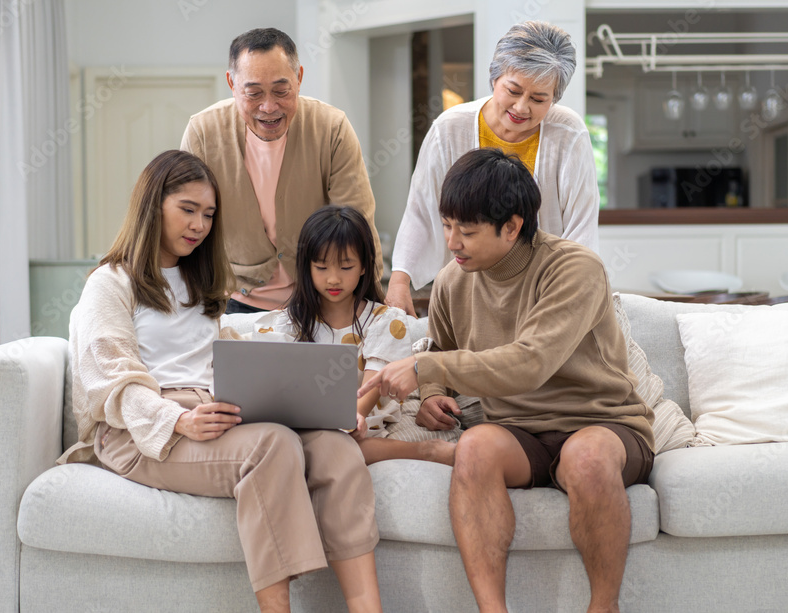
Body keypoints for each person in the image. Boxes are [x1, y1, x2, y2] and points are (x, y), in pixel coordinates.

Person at [59, 150, 383, 613]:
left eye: (208, 214)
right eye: (187, 209)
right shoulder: (111, 282)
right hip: (144, 433)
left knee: (336, 449)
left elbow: (227, 368)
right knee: (271, 446)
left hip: (213, 413)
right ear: (153, 205)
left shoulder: (202, 282)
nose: (199, 225)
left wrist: (325, 412)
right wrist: (177, 420)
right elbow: (111, 382)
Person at [361, 148, 655, 613]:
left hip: (602, 424)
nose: (453, 242)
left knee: (586, 457)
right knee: (475, 446)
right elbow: (440, 348)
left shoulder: (574, 269)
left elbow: (530, 362)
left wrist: (426, 373)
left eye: (468, 231)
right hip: (520, 432)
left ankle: (604, 607)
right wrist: (435, 394)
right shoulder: (452, 282)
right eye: (447, 225)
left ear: (513, 226)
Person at [386, 20, 600, 317]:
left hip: (545, 287)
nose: (522, 107)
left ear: (554, 98)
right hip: (470, 288)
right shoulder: (450, 128)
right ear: (494, 79)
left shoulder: (568, 133)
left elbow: (581, 225)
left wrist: (571, 295)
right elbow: (422, 210)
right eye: (513, 90)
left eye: (539, 99)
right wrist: (400, 280)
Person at [181, 27, 383, 315]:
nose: (268, 107)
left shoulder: (331, 128)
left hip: (317, 299)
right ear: (232, 83)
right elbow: (183, 222)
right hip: (231, 300)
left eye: (281, 90)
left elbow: (357, 224)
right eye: (253, 93)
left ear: (299, 78)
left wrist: (374, 308)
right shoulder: (203, 132)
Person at [249, 205, 456, 466]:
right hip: (306, 420)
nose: (333, 279)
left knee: (331, 447)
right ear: (307, 268)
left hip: (360, 419)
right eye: (321, 267)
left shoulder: (385, 320)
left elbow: (375, 384)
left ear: (363, 267)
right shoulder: (291, 321)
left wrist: (351, 417)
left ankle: (424, 450)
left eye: (346, 267)